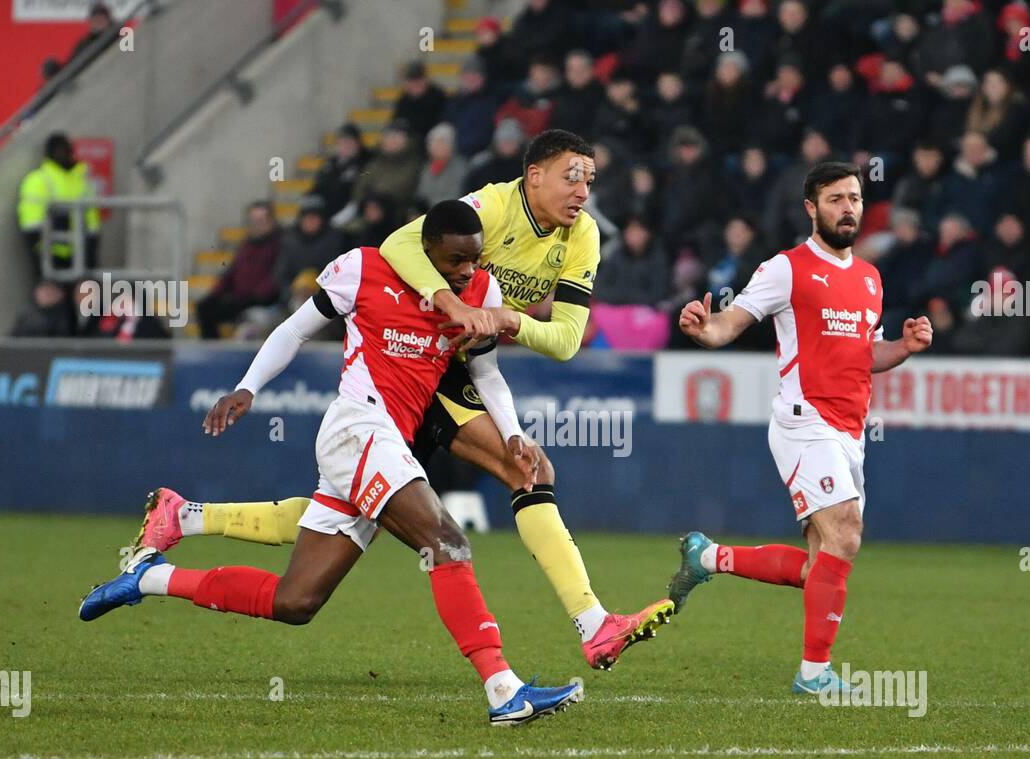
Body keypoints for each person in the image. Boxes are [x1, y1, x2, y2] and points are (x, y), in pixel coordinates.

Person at [141, 130, 673, 672]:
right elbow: (399, 245)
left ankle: (184, 518)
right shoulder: (488, 207)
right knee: (524, 477)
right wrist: (451, 304)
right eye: (571, 175)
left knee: (332, 539)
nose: (583, 190)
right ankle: (576, 635)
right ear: (534, 175)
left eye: (590, 178)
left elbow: (565, 339)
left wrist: (504, 318)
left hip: (465, 360)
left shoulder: (581, 236)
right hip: (423, 367)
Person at [80, 201, 582, 725]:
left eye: (474, 260)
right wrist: (247, 388)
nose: (466, 271)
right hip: (357, 429)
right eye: (455, 260)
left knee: (296, 601)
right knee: (447, 542)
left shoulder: (481, 294)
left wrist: (514, 434)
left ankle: (147, 578)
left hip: (389, 443)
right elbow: (295, 330)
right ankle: (504, 689)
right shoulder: (366, 268)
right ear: (424, 249)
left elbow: (486, 375)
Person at [666, 160, 933, 694]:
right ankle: (814, 675)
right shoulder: (786, 268)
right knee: (846, 533)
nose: (848, 208)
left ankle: (708, 556)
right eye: (835, 199)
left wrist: (902, 348)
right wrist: (704, 329)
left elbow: (863, 354)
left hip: (850, 430)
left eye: (855, 198)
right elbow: (730, 324)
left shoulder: (870, 278)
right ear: (811, 207)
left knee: (821, 567)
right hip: (803, 421)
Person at [17, 132, 100, 280]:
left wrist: (91, 253)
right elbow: (31, 227)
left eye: (65, 149)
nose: (62, 154)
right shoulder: (38, 180)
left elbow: (92, 222)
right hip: (49, 256)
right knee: (51, 298)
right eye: (58, 150)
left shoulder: (82, 178)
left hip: (81, 254)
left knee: (86, 296)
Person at [195, 201, 282, 339]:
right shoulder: (246, 245)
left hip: (263, 301)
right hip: (240, 299)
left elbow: (277, 278)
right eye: (252, 221)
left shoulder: (280, 245)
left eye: (261, 220)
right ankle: (214, 354)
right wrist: (214, 294)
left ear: (271, 221)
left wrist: (254, 296)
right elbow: (230, 274)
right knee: (205, 308)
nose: (256, 225)